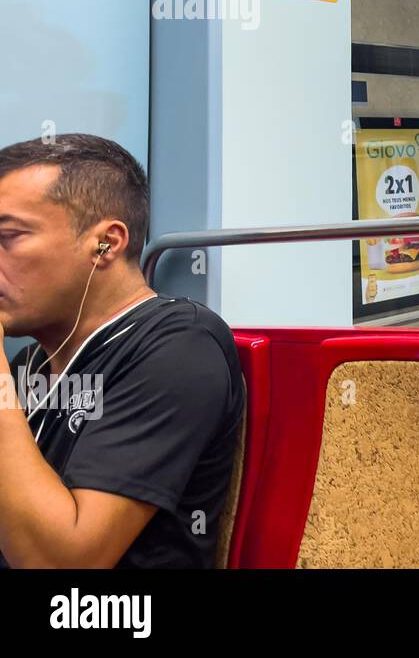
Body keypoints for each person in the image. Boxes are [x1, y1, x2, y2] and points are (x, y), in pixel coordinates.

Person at [0, 134, 244, 568]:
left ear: (106, 244)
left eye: (8, 237)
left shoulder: (179, 347)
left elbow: (63, 564)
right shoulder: (27, 365)